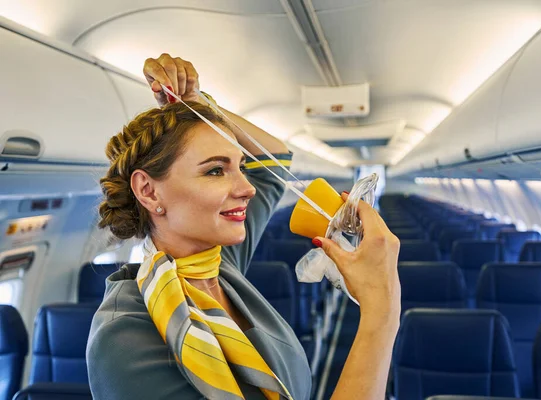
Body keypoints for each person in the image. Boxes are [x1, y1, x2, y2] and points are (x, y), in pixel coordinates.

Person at [86, 53, 401, 400]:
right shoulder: (124, 336)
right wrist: (381, 312)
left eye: (240, 167)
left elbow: (272, 163)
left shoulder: (219, 265)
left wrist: (199, 105)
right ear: (148, 190)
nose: (247, 188)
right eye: (216, 170)